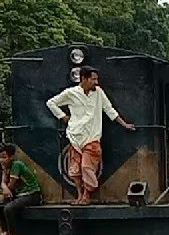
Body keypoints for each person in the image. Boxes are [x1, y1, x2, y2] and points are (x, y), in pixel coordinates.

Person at [46, 65, 135, 205]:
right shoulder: (71, 93)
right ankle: (79, 196)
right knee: (75, 170)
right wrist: (62, 116)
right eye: (93, 79)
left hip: (92, 137)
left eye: (96, 79)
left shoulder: (98, 93)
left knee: (87, 168)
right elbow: (51, 103)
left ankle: (86, 195)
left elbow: (109, 109)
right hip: (75, 137)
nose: (96, 82)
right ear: (83, 79)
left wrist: (124, 124)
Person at [0, 143, 43, 235]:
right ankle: (0, 234)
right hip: (17, 195)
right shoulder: (5, 168)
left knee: (8, 208)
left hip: (31, 194)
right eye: (0, 157)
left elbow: (10, 186)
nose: (1, 160)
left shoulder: (16, 165)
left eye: (4, 157)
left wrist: (4, 189)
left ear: (11, 157)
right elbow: (3, 184)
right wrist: (4, 188)